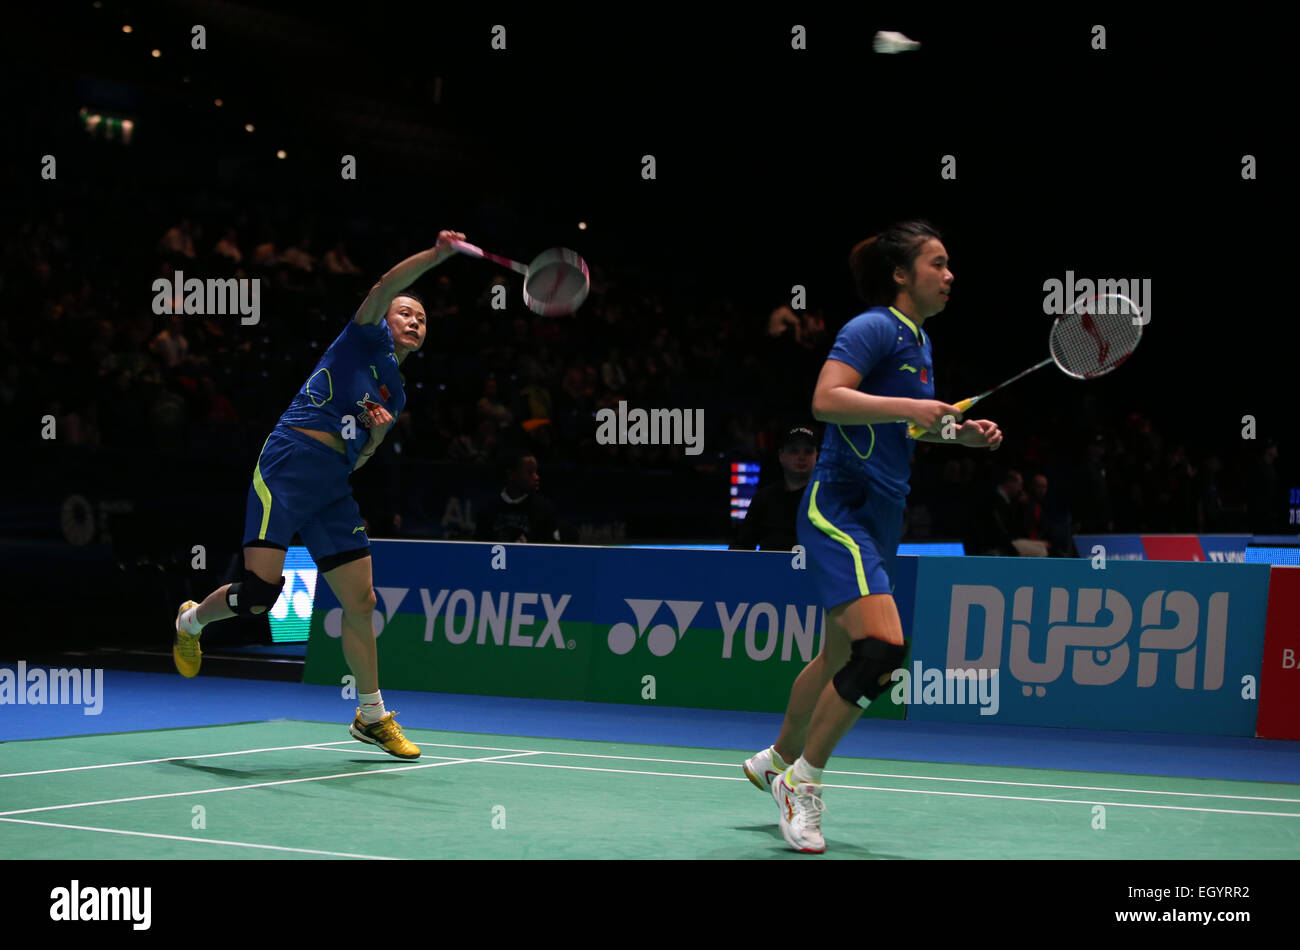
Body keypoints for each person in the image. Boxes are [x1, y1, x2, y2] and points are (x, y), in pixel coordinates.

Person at [741, 220, 1003, 853]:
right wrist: (917, 410)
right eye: (937, 263)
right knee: (882, 653)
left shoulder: (919, 344)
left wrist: (954, 434)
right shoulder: (874, 327)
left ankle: (776, 758)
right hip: (842, 507)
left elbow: (897, 428)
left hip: (884, 514)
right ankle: (802, 783)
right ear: (900, 274)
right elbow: (828, 401)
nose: (949, 274)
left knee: (836, 659)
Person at [171, 230, 467, 759]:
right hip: (287, 465)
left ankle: (372, 715)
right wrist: (435, 257)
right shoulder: (362, 338)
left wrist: (375, 431)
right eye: (407, 313)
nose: (414, 320)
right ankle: (190, 621)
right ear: (386, 318)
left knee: (362, 599)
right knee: (260, 595)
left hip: (333, 481)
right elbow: (384, 283)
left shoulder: (395, 391)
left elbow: (367, 454)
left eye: (422, 318)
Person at [729, 425, 819, 551]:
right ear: (781, 456)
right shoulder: (764, 498)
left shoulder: (827, 498)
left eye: (808, 451)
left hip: (815, 570)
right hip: (771, 570)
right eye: (794, 451)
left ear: (816, 456)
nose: (802, 457)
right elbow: (741, 545)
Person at [475, 451, 563, 543]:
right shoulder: (488, 509)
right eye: (530, 473)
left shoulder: (544, 509)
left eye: (536, 472)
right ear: (511, 475)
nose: (536, 477)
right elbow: (479, 548)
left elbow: (553, 549)